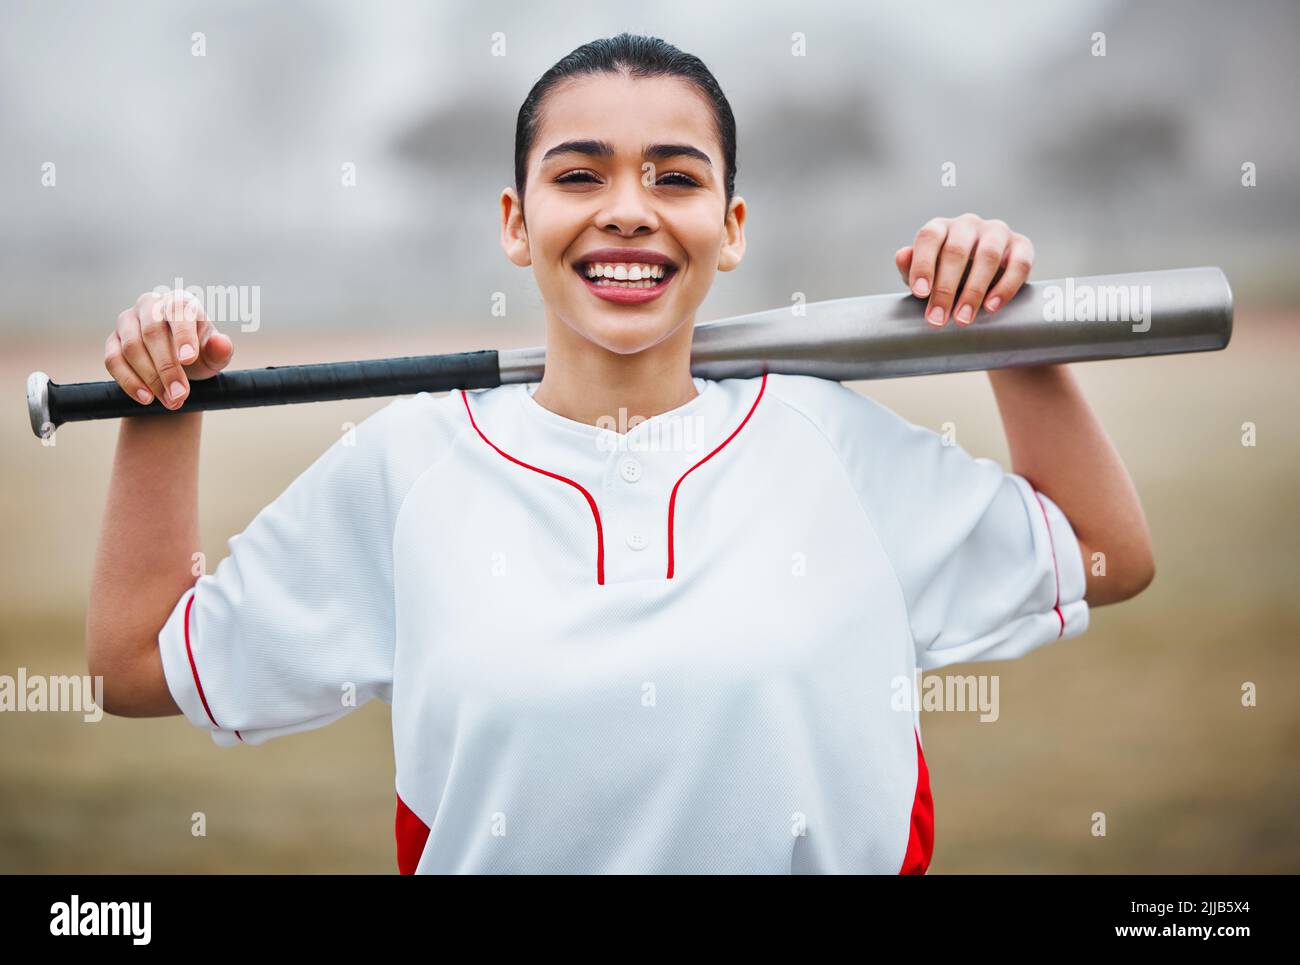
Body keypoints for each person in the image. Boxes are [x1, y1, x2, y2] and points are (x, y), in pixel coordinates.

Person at [86, 33, 1154, 874]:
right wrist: (161, 402)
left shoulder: (826, 441)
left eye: (675, 179)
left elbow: (1105, 552)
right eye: (580, 175)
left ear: (731, 227)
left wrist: (1014, 330)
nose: (629, 212)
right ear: (516, 219)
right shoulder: (407, 465)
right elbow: (138, 664)